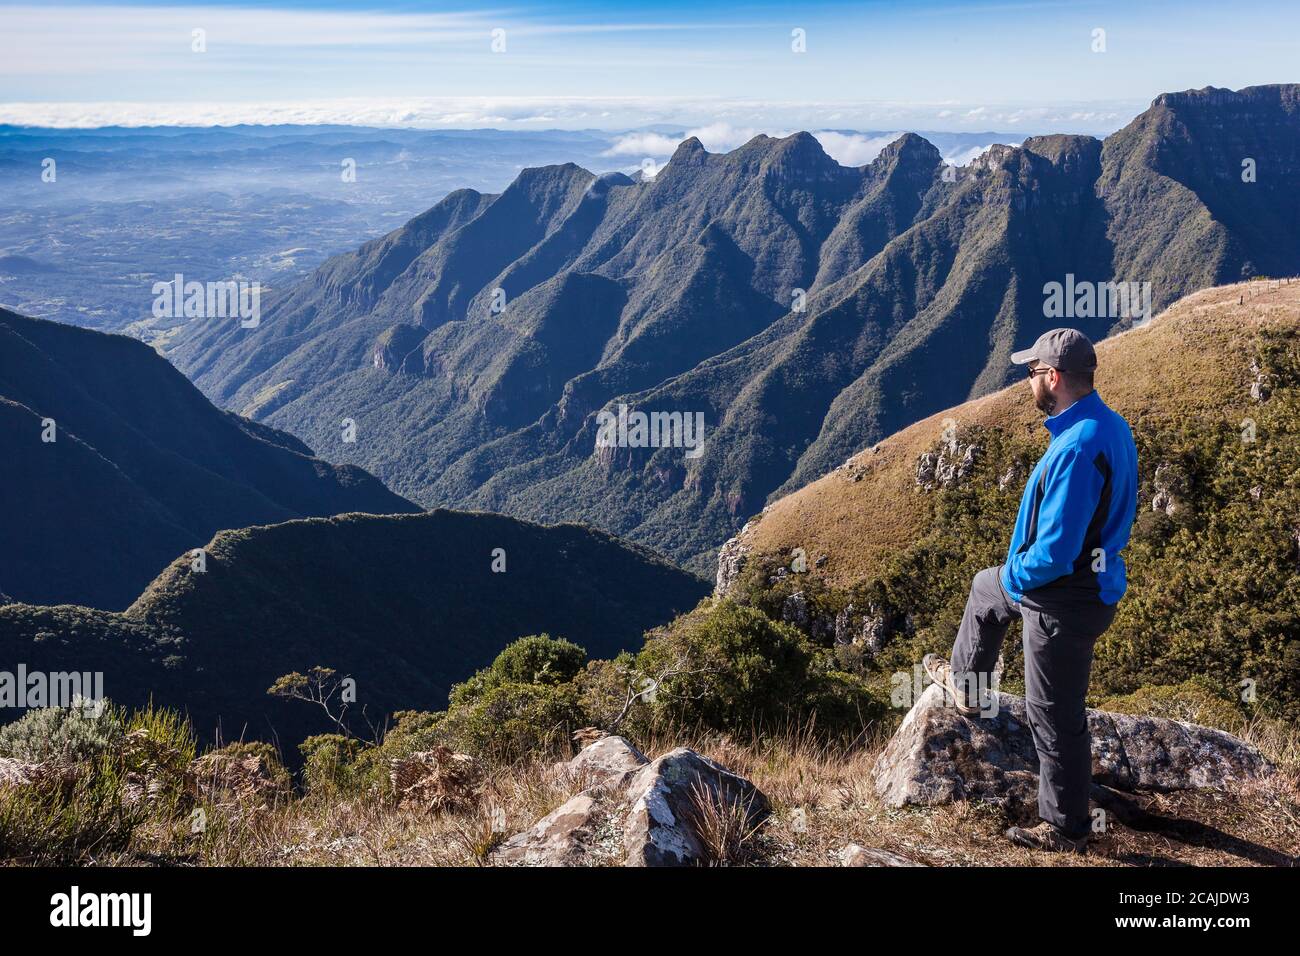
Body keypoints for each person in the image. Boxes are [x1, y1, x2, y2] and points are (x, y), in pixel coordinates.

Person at [922, 328, 1137, 854]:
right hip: (1081, 586)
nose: (1029, 381)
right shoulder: (1107, 427)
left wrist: (1017, 574)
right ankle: (969, 689)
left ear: (1055, 377)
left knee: (1054, 714)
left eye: (1033, 372)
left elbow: (1057, 552)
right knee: (984, 589)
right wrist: (1011, 577)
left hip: (1061, 599)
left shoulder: (1078, 447)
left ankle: (1066, 829)